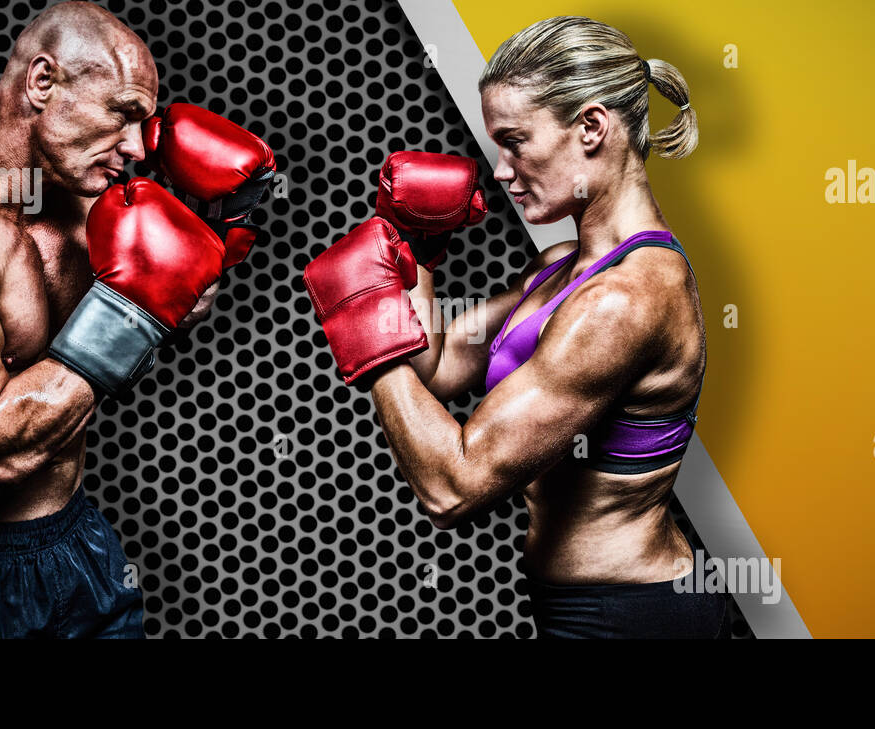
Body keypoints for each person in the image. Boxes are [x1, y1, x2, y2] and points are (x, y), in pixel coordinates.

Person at [0, 1, 274, 638]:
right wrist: (142, 311)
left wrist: (228, 228)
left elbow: (152, 313)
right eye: (123, 114)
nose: (137, 148)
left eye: (146, 125)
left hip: (75, 540)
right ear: (42, 82)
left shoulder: (92, 203)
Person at [305, 16, 726, 638]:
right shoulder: (561, 267)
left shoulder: (626, 299)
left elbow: (454, 487)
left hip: (632, 614)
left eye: (516, 141)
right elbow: (439, 366)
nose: (500, 170)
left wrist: (366, 326)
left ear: (590, 128)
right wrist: (414, 251)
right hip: (581, 605)